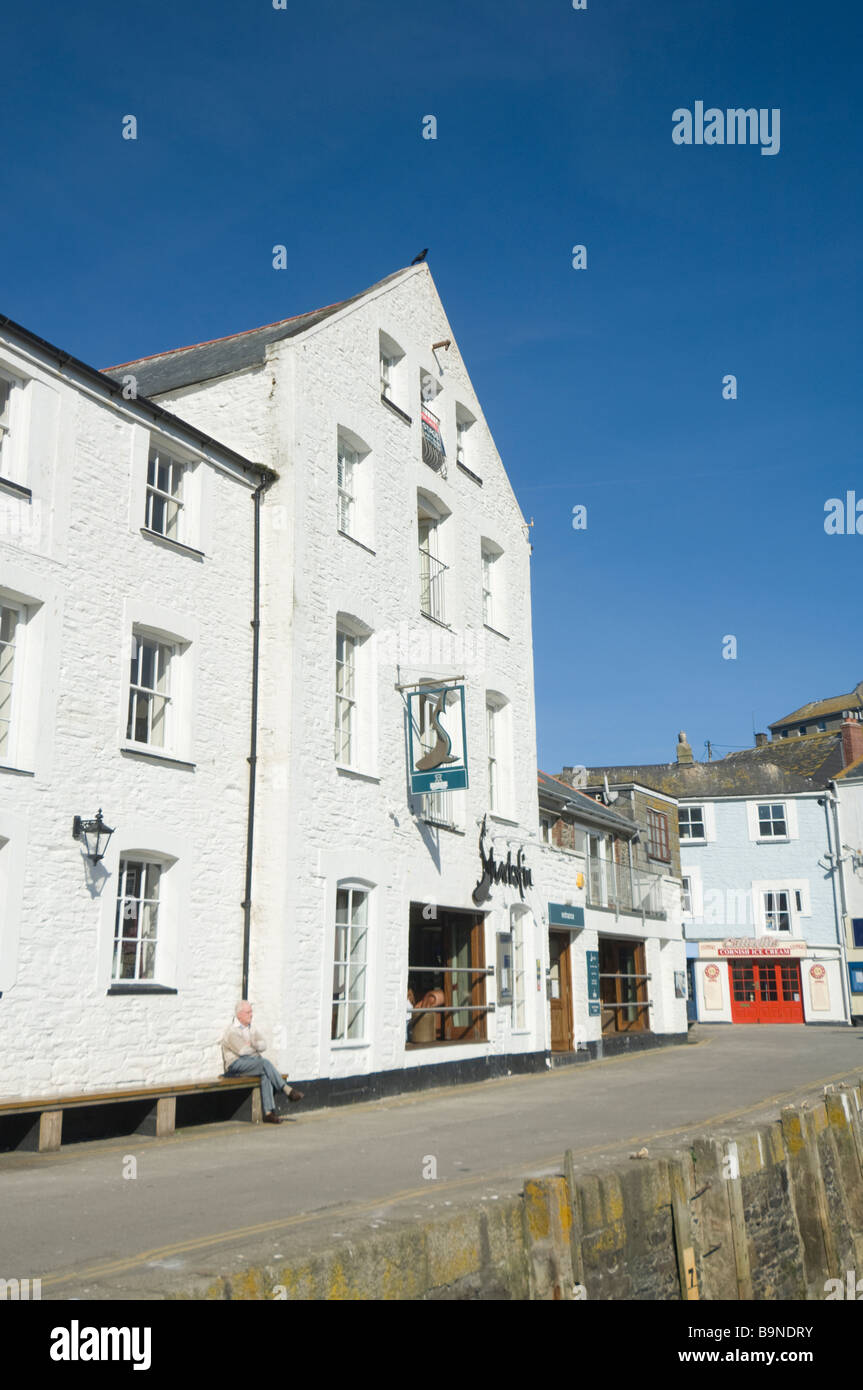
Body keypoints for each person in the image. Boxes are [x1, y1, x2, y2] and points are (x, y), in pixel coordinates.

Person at [221, 1001, 303, 1125]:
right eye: (248, 1012)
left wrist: (252, 1045)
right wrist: (255, 1047)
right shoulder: (232, 1031)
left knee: (265, 1073)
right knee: (264, 1063)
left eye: (251, 1012)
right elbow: (243, 1051)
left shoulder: (251, 1028)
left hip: (251, 1062)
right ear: (240, 1015)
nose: (251, 1015)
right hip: (235, 1065)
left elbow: (263, 1044)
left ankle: (269, 1113)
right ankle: (287, 1090)